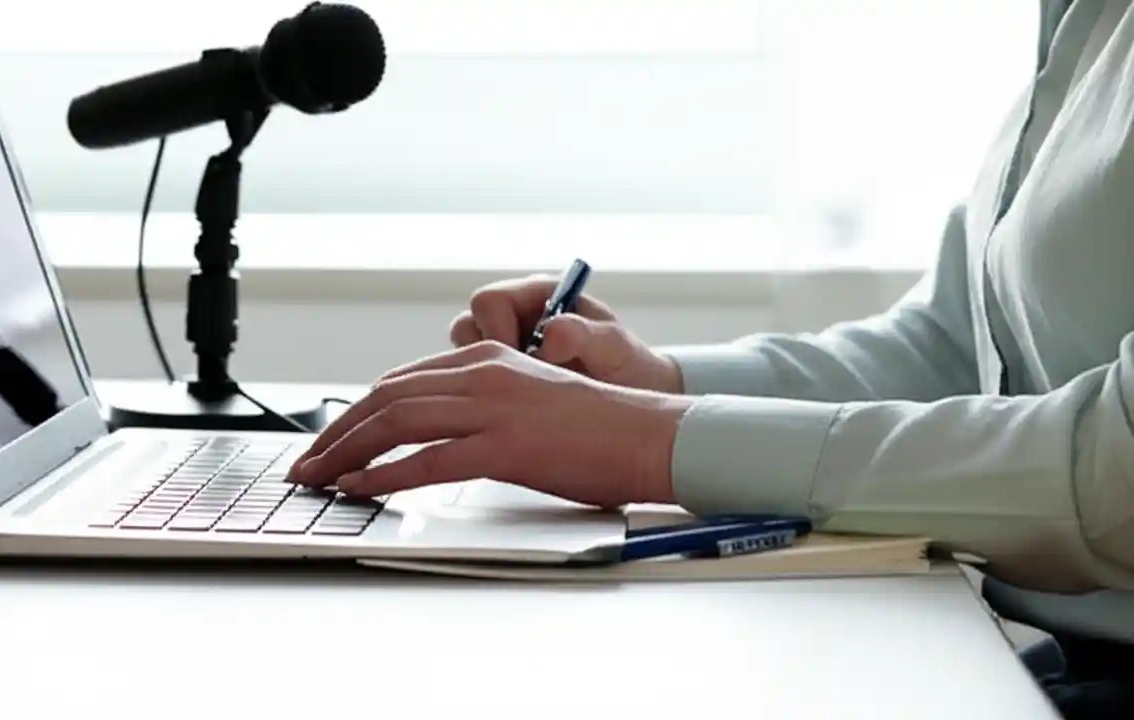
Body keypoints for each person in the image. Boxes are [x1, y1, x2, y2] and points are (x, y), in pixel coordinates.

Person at [289, 1, 1134, 716]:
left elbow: (1119, 476)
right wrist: (657, 386)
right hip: (1035, 655)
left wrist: (652, 442)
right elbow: (959, 348)